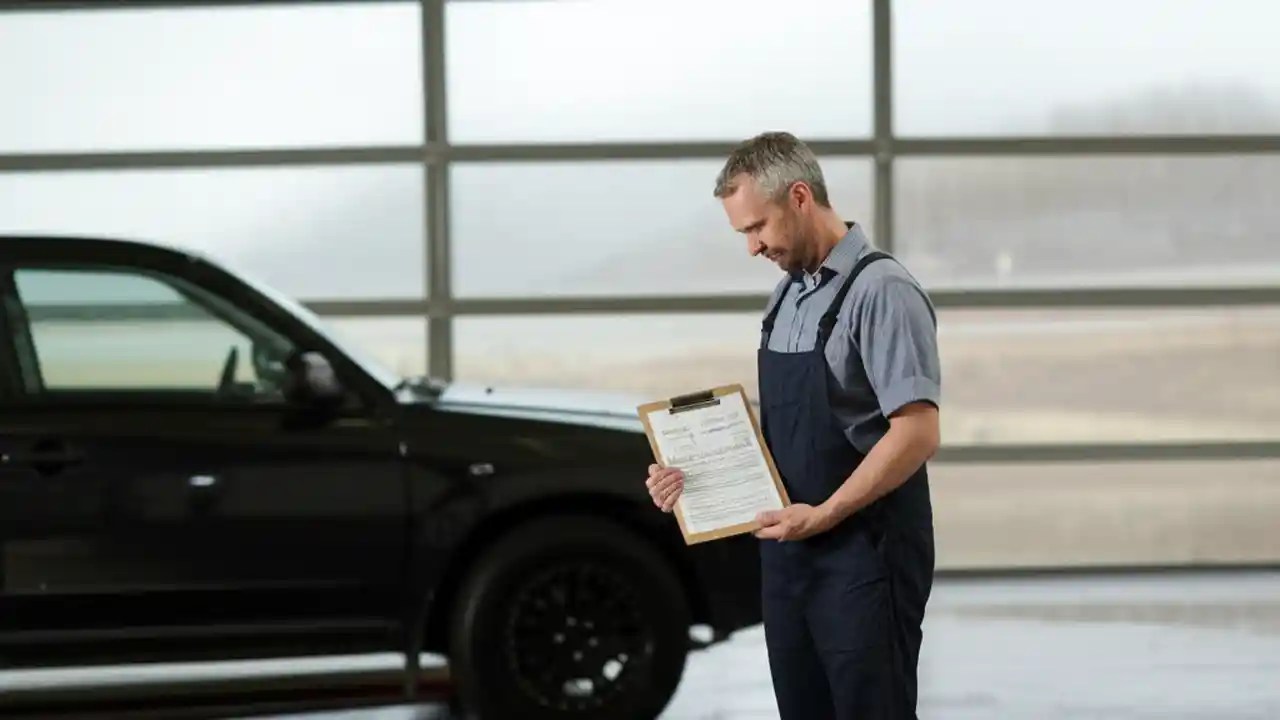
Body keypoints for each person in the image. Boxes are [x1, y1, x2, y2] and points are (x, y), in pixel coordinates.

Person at [645, 131, 941, 720]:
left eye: (758, 228)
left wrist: (826, 513)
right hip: (789, 557)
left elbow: (916, 431)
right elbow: (784, 424)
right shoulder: (785, 299)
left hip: (864, 557)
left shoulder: (882, 292)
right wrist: (691, 474)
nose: (753, 247)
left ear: (800, 197)